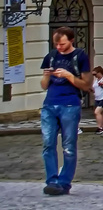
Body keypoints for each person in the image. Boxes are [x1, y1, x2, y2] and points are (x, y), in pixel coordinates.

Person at [38, 27, 92, 195]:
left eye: (62, 44)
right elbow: (44, 85)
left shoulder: (80, 57)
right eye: (56, 44)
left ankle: (64, 182)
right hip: (49, 104)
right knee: (48, 144)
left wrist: (68, 76)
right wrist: (47, 76)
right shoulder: (52, 56)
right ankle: (52, 180)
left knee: (68, 146)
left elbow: (87, 85)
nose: (59, 47)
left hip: (70, 104)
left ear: (71, 40)